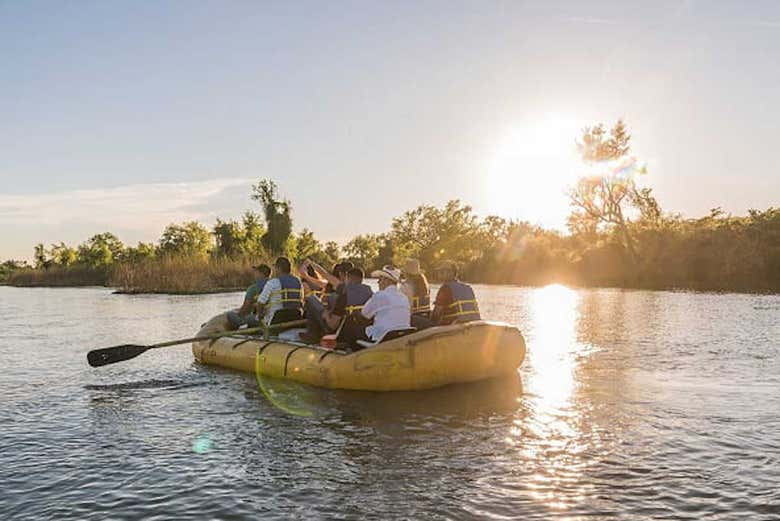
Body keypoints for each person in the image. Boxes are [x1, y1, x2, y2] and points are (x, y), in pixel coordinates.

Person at [339, 265, 410, 347]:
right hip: (400, 336)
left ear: (386, 280)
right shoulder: (404, 297)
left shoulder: (380, 295)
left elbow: (364, 314)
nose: (378, 282)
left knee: (350, 322)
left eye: (380, 279)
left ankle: (347, 354)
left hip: (383, 338)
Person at [256, 257, 304, 325]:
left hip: (276, 321)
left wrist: (259, 316)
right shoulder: (298, 282)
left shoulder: (272, 282)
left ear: (279, 268)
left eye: (275, 267)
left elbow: (260, 303)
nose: (275, 270)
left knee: (249, 319)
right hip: (295, 318)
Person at [431, 261, 481, 325]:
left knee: (416, 320)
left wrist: (430, 322)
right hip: (473, 323)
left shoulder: (445, 289)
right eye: (440, 271)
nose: (440, 274)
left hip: (453, 325)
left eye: (442, 271)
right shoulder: (468, 287)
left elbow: (436, 313)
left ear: (451, 272)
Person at [227, 264, 271, 329]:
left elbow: (245, 308)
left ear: (261, 274)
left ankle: (239, 328)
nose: (254, 274)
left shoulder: (253, 288)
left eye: (256, 272)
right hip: (271, 316)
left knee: (230, 314)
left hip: (260, 318)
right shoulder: (274, 285)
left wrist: (238, 314)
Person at [400, 258, 432, 329]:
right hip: (426, 317)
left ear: (406, 273)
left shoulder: (405, 287)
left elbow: (403, 308)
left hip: (413, 320)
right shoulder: (426, 285)